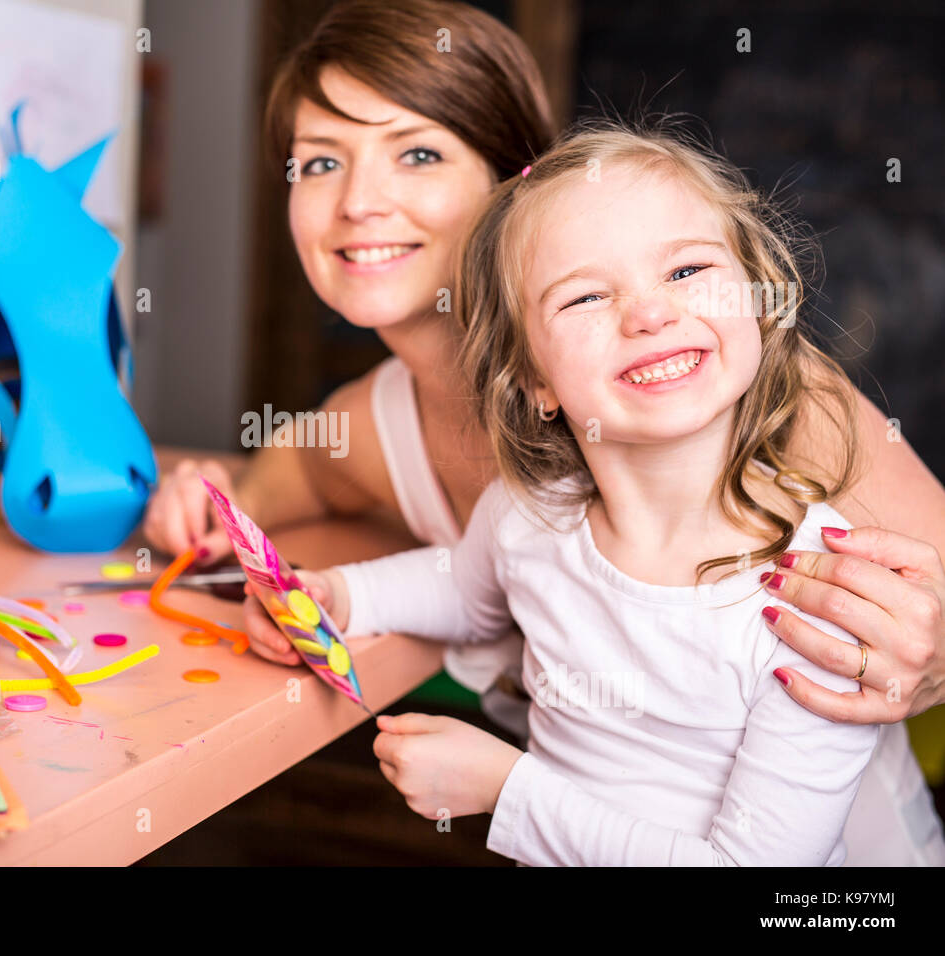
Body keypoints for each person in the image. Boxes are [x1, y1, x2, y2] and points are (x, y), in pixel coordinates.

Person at [143, 0, 945, 737]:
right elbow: (279, 483)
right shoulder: (368, 424)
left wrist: (926, 660)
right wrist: (206, 504)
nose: (357, 202)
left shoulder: (718, 380)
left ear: (513, 185)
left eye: (417, 152)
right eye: (318, 163)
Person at [245, 120, 945, 865]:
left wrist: (506, 791)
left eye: (685, 272)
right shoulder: (527, 515)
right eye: (584, 298)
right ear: (534, 381)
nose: (649, 313)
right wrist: (341, 599)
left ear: (759, 302)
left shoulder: (814, 603)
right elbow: (463, 590)